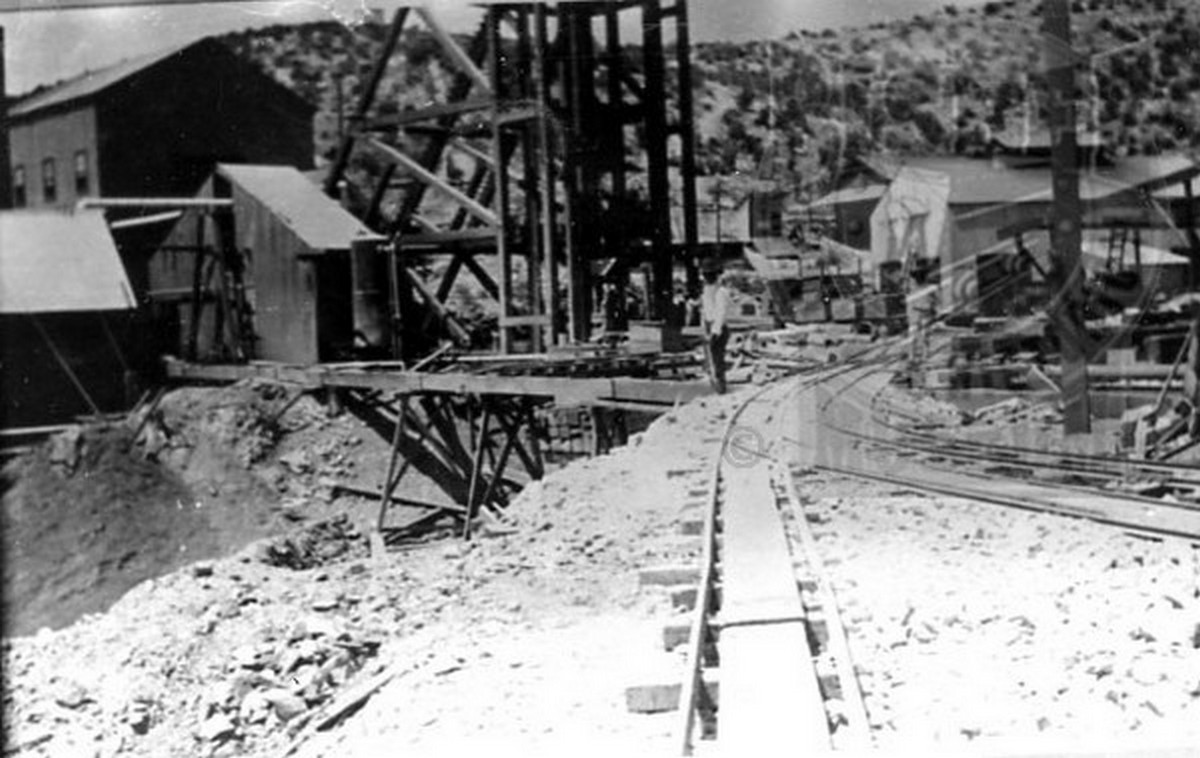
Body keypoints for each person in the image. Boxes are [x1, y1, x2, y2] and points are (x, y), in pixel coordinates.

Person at [700, 258, 731, 394]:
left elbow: (720, 313)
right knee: (710, 358)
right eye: (706, 275)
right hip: (709, 325)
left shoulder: (721, 292)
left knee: (717, 359)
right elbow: (706, 310)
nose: (707, 278)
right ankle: (714, 384)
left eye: (710, 275)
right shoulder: (707, 290)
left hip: (718, 328)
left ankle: (721, 387)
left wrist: (714, 332)